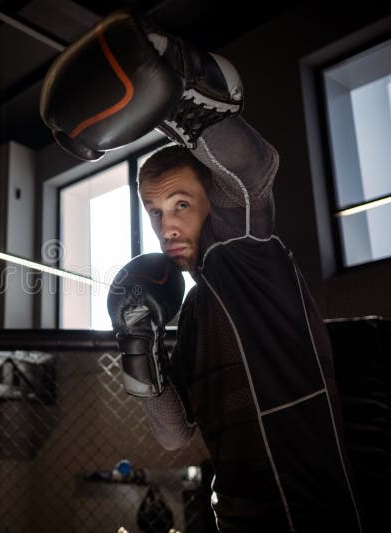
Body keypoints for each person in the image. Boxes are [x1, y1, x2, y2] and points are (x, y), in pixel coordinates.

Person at [40, 9, 364, 533]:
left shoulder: (246, 255)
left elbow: (253, 171)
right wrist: (138, 346)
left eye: (181, 205)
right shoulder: (192, 312)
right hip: (234, 516)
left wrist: (180, 91)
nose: (166, 226)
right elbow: (173, 434)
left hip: (311, 513)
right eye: (155, 212)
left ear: (211, 201)